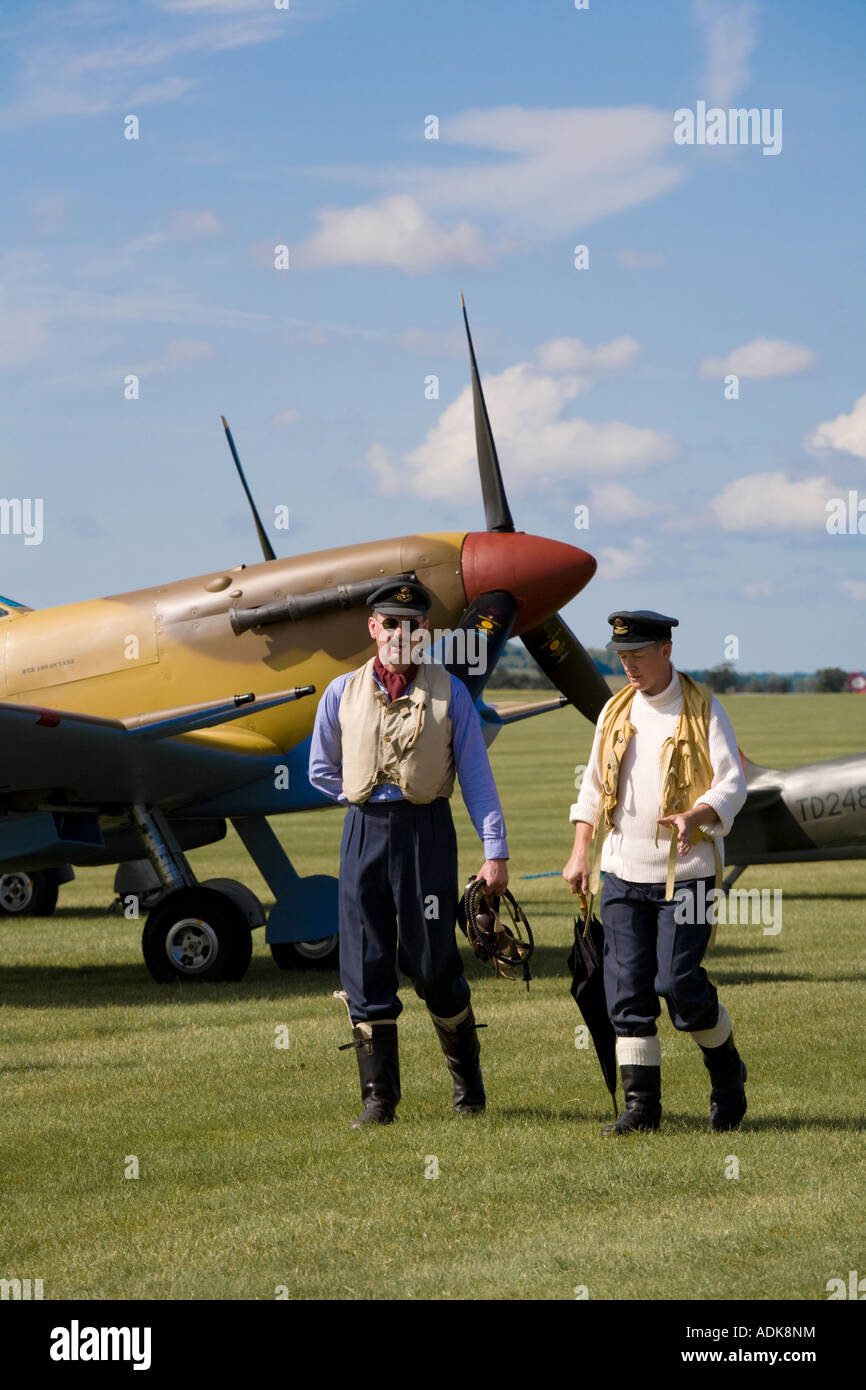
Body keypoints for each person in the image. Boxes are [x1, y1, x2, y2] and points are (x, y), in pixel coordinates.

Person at [308, 580, 509, 1127]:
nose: (401, 633)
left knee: (432, 963)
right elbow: (319, 770)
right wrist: (364, 795)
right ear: (373, 628)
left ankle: (469, 1090)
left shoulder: (452, 694)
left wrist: (496, 851)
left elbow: (476, 778)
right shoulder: (340, 692)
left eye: (412, 624)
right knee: (365, 965)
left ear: (426, 631)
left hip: (427, 833)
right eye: (390, 623)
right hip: (363, 832)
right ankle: (379, 1101)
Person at [562, 611, 748, 1135]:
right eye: (622, 657)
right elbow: (594, 788)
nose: (628, 666)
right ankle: (641, 1109)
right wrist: (581, 851)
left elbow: (733, 786)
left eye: (637, 656)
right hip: (621, 874)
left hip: (686, 876)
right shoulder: (614, 712)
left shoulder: (705, 708)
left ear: (666, 651)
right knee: (626, 991)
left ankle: (728, 1074)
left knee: (679, 984)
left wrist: (697, 815)